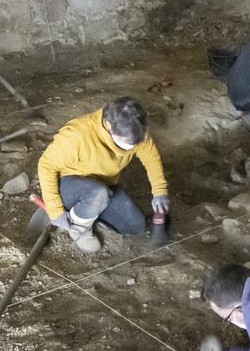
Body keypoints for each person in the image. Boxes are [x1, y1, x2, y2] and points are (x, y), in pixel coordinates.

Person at [37, 96, 169, 254]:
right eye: (127, 142)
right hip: (68, 185)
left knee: (135, 226)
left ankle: (88, 211)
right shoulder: (77, 135)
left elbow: (151, 157)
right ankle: (79, 229)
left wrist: (159, 191)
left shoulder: (136, 130)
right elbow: (46, 166)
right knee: (97, 192)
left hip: (104, 186)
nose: (131, 147)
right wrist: (55, 211)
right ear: (108, 125)